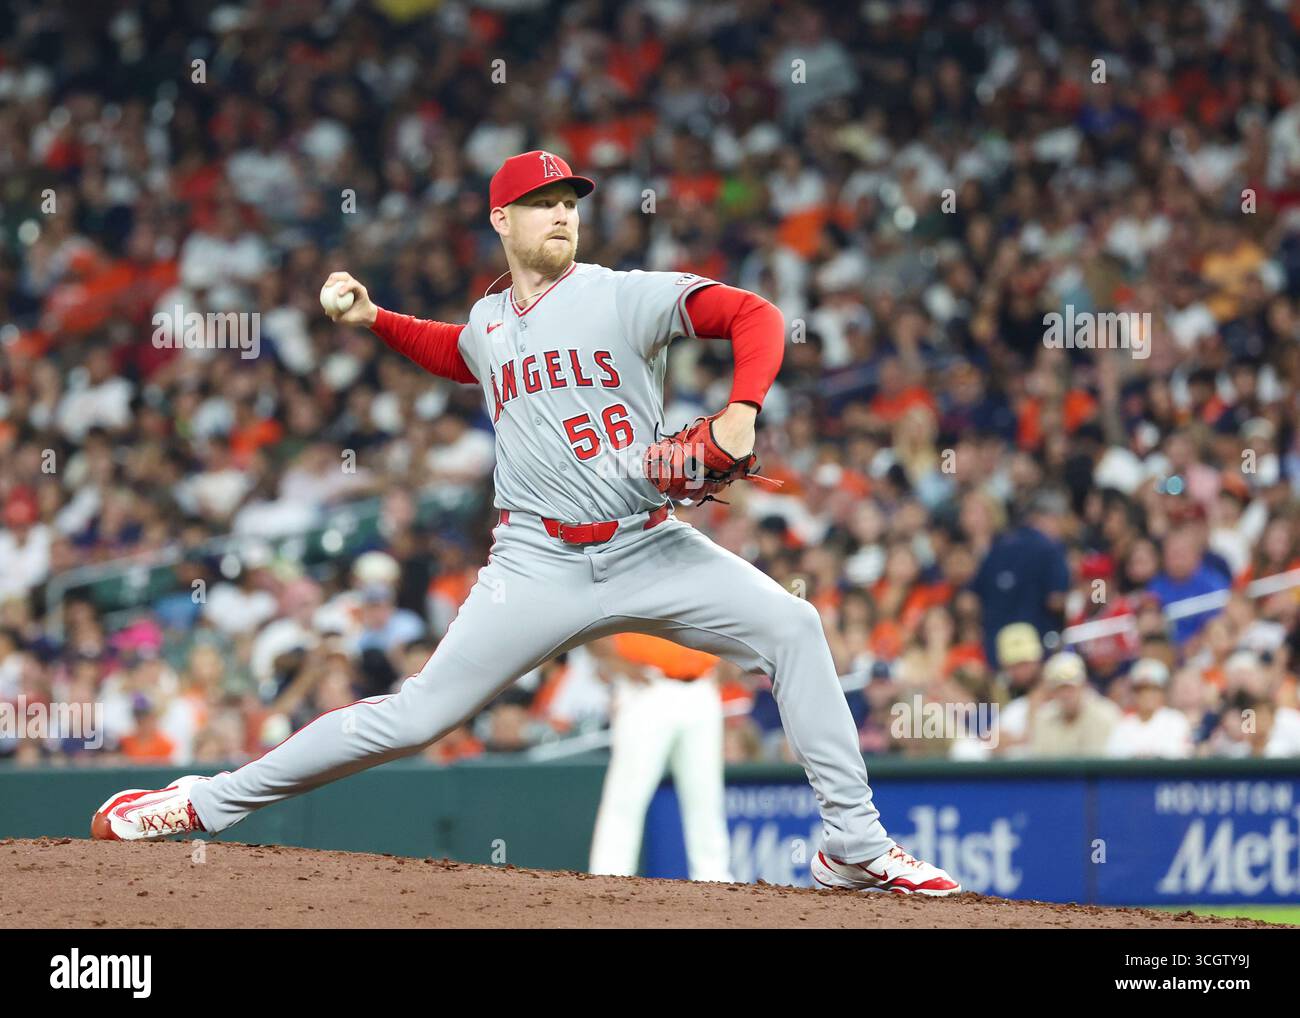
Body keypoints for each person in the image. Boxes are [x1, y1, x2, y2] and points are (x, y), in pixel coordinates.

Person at [91, 150, 960, 896]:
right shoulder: (489, 317)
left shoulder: (623, 295)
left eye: (569, 203)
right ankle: (205, 801)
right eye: (542, 204)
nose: (560, 216)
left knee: (795, 625)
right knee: (416, 718)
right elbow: (458, 351)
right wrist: (376, 320)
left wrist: (742, 407)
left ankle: (853, 845)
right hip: (534, 561)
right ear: (501, 219)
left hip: (649, 544)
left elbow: (754, 315)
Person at [587, 633, 732, 882]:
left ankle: (715, 881)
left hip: (701, 686)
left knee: (706, 797)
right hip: (647, 687)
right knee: (626, 797)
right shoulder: (631, 591)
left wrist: (729, 661)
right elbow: (592, 617)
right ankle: (607, 881)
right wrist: (615, 662)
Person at [1105, 658, 1193, 758]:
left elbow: (1180, 759)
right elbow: (1113, 762)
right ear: (1133, 693)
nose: (1147, 695)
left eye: (1154, 689)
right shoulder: (1123, 726)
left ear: (1163, 692)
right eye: (1141, 690)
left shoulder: (1176, 721)